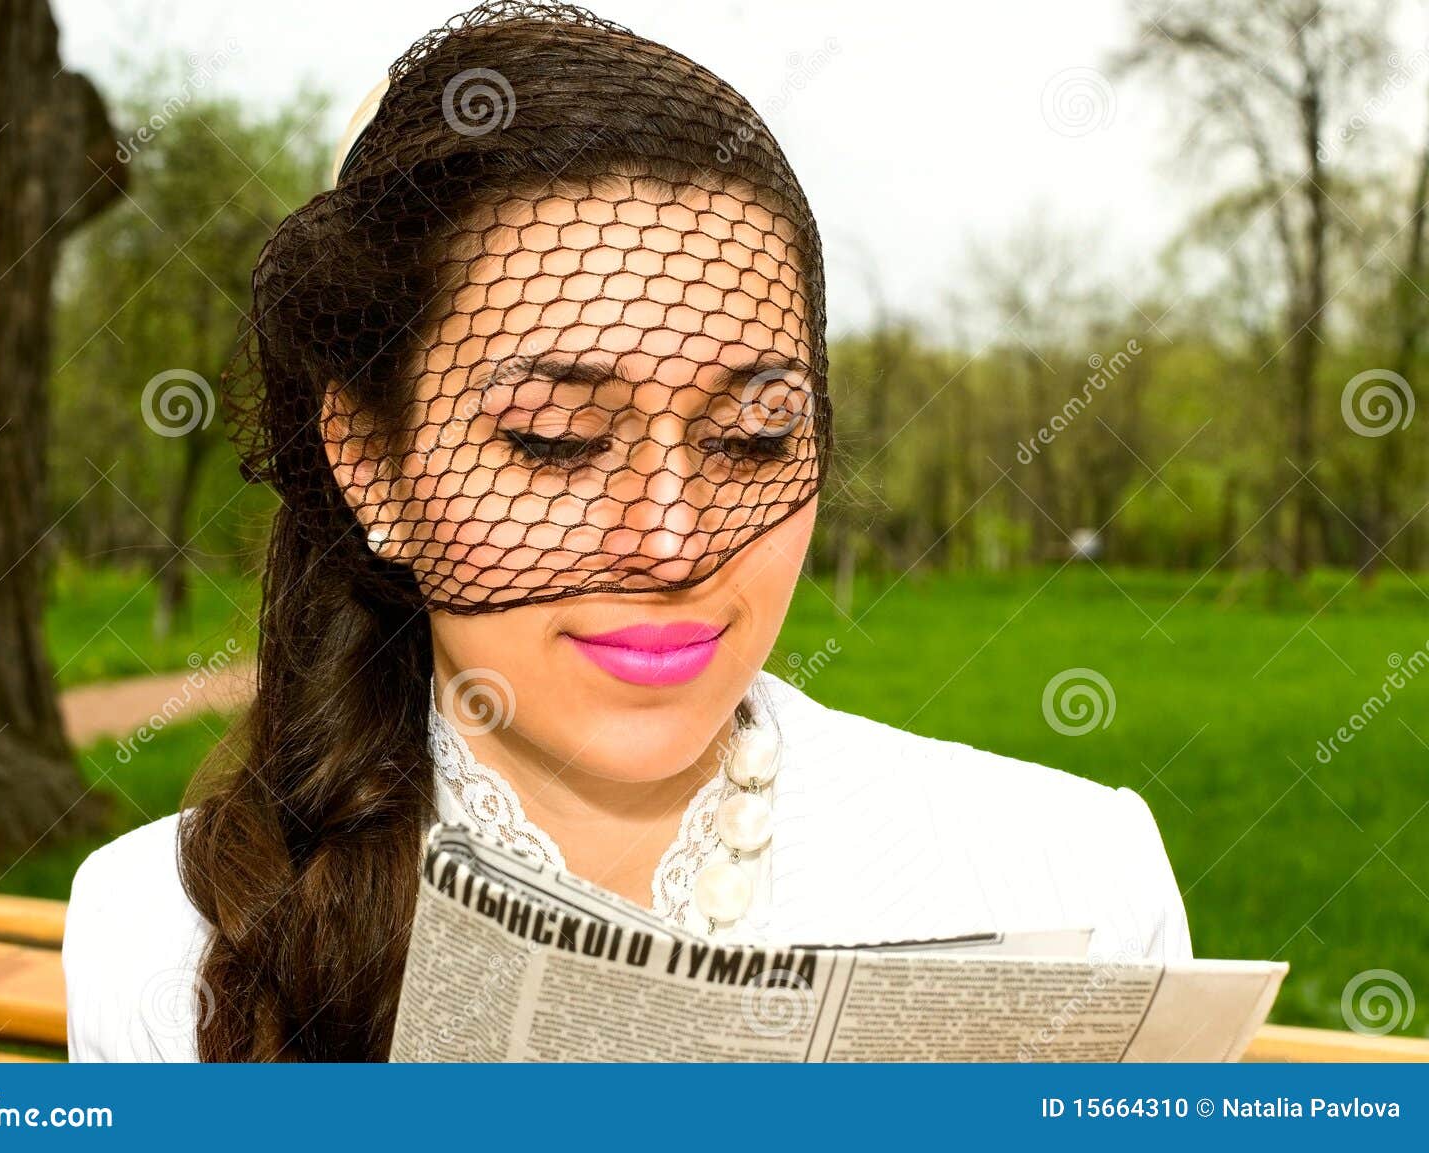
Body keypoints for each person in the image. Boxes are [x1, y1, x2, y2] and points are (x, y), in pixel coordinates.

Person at [63, 0, 1190, 1063]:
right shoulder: (162, 935)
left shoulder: (1069, 880)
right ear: (372, 463)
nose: (670, 539)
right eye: (554, 442)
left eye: (751, 439)